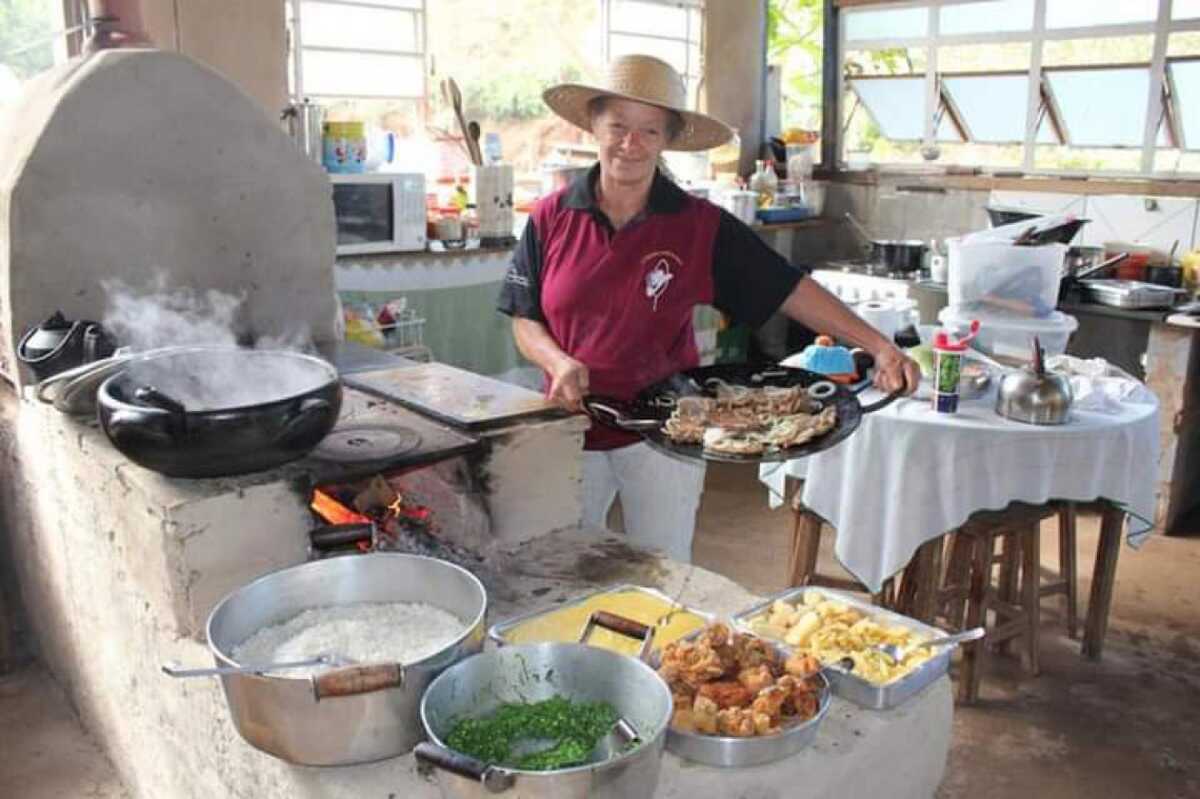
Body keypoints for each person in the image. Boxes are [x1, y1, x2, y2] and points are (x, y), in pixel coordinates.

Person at [498, 54, 919, 562]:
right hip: (570, 423)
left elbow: (788, 288)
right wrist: (556, 361)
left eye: (649, 131)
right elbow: (526, 316)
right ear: (593, 125)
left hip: (668, 430)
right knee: (563, 564)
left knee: (662, 568)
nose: (630, 144)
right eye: (618, 126)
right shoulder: (551, 215)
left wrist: (877, 345)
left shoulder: (697, 224)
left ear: (667, 139)